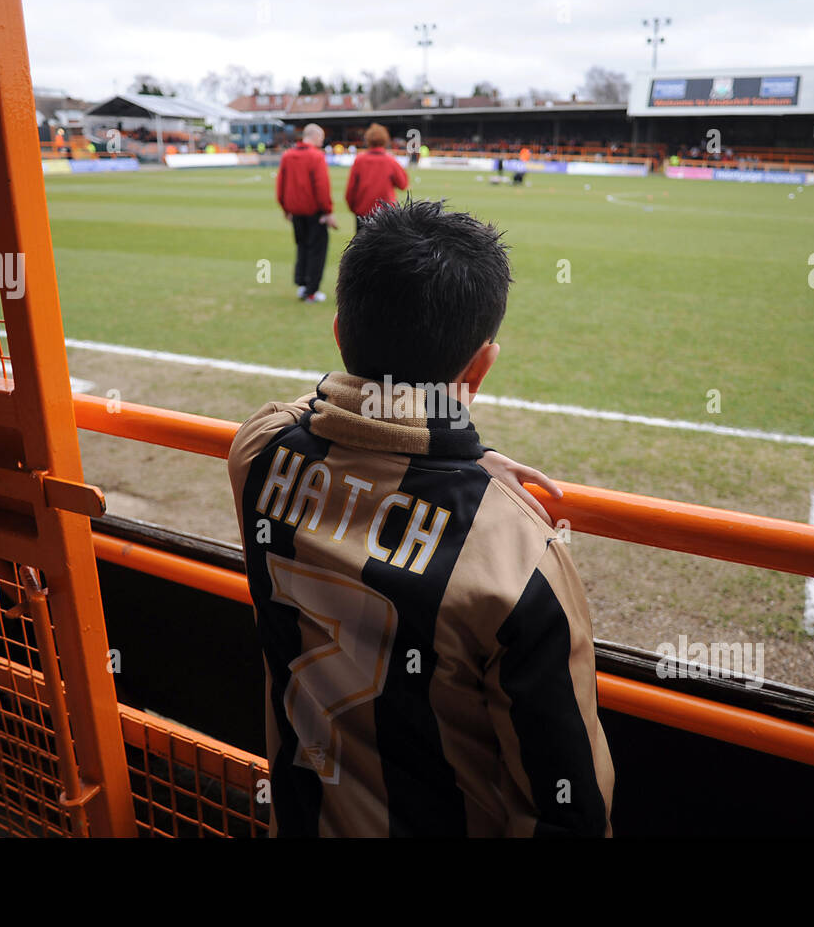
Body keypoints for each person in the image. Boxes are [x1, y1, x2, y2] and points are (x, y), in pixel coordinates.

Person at [227, 198, 615, 837]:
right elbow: (569, 809)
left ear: (339, 333)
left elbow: (310, 407)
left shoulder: (258, 453)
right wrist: (457, 449)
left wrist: (442, 443)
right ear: (480, 369)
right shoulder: (516, 554)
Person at [276, 123, 338, 302]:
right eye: (321, 137)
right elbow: (321, 187)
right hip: (315, 213)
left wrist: (285, 208)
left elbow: (281, 185)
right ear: (315, 136)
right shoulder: (316, 157)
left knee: (302, 247)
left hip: (295, 212)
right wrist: (328, 211)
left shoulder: (288, 156)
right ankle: (311, 291)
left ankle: (302, 284)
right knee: (317, 251)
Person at [344, 123, 409, 230]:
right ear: (385, 140)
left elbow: (350, 191)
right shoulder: (390, 160)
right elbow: (403, 183)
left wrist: (354, 209)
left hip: (362, 213)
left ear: (368, 140)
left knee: (362, 245)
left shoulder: (359, 160)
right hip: (385, 214)